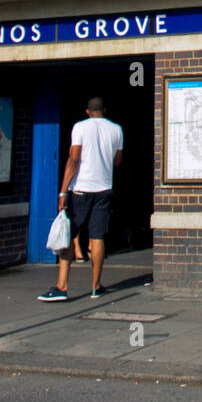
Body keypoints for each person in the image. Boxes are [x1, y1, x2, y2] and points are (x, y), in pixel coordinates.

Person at [38, 97, 123, 302]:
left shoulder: (80, 127)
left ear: (87, 111)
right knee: (97, 237)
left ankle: (62, 287)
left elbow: (74, 158)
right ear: (105, 109)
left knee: (69, 234)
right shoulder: (116, 129)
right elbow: (118, 161)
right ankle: (96, 287)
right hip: (104, 188)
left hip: (81, 190)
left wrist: (63, 191)